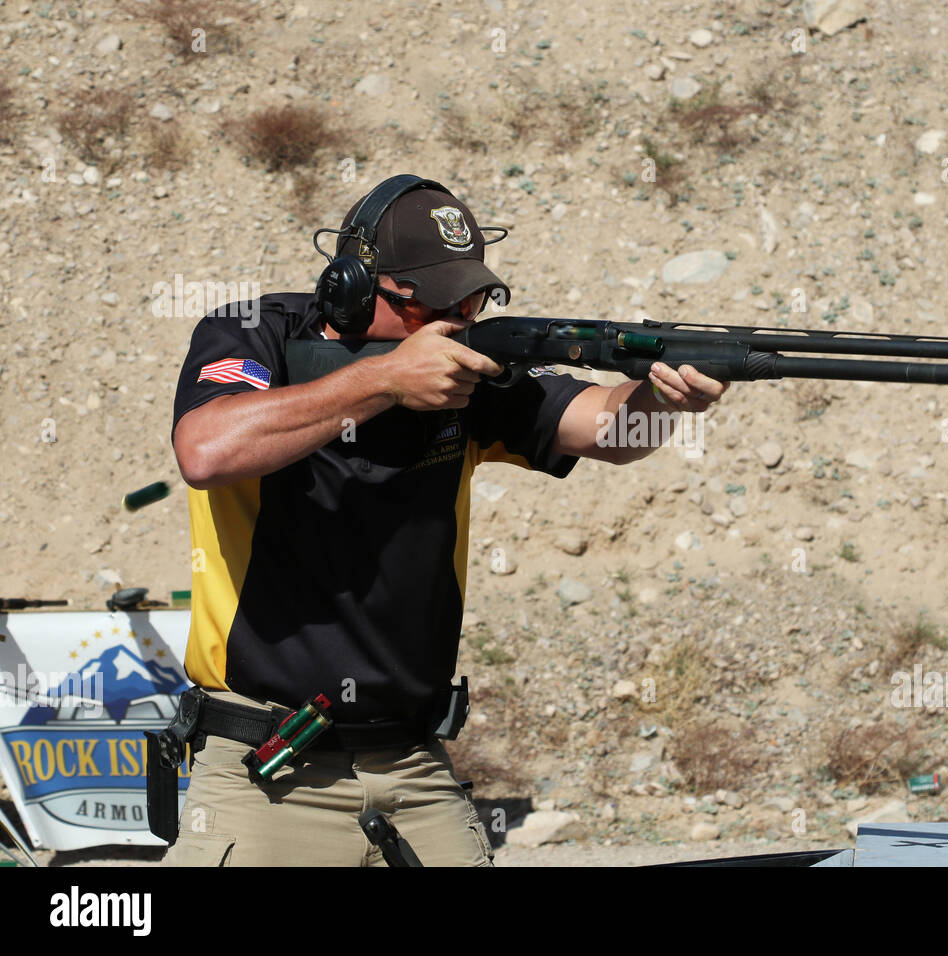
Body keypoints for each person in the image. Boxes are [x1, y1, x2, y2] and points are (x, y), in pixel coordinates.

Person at [160, 175, 727, 865]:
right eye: (429, 302)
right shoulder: (258, 332)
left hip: (414, 768)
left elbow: (610, 432)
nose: (456, 319)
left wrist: (667, 399)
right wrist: (383, 380)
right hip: (269, 769)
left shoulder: (466, 379)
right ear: (352, 286)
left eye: (472, 298)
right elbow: (207, 449)